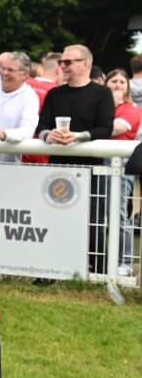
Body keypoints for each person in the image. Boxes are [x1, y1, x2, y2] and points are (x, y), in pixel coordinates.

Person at [37, 44, 115, 272]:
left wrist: (79, 137)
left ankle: (98, 270)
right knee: (55, 218)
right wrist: (48, 135)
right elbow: (41, 125)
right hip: (58, 167)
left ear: (86, 64)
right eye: (62, 62)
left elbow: (105, 128)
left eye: (68, 62)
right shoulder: (54, 93)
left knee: (94, 219)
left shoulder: (102, 93)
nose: (63, 66)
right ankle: (52, 269)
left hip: (92, 168)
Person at [105, 69, 141, 276]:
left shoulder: (132, 109)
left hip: (121, 166)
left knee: (119, 214)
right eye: (113, 81)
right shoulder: (101, 106)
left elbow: (115, 128)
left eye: (122, 82)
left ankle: (124, 261)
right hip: (95, 163)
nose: (118, 85)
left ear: (128, 87)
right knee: (98, 215)